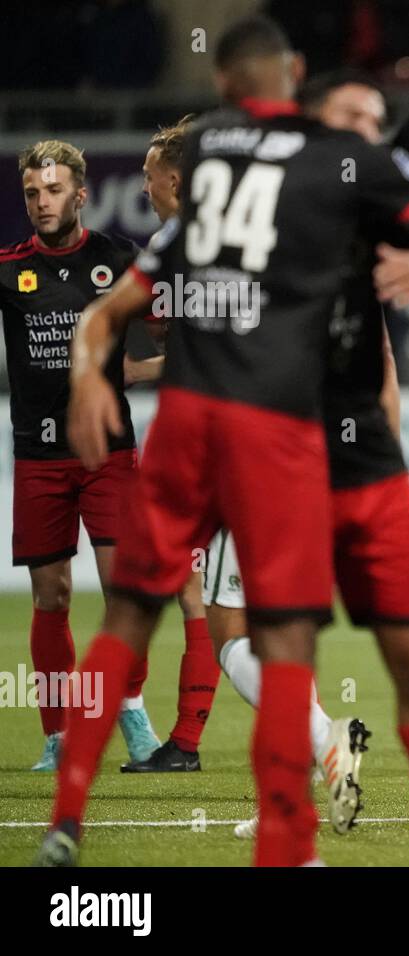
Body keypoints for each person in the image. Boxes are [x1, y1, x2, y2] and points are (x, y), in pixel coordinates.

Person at [36, 15, 409, 868]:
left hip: (262, 448)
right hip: (259, 444)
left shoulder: (230, 229)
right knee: (230, 617)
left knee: (231, 625)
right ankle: (299, 787)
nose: (163, 199)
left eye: (167, 185)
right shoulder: (272, 227)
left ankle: (312, 768)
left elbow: (361, 342)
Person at [0, 140, 161, 772]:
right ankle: (58, 732)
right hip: (37, 456)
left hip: (109, 452)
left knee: (125, 589)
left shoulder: (119, 260)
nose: (43, 203)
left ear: (81, 194)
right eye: (33, 194)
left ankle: (130, 707)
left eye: (54, 191)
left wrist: (185, 364)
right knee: (51, 596)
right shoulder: (9, 268)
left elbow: (142, 349)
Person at [117, 115, 221, 774]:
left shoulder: (173, 244)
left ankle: (177, 739)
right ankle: (181, 740)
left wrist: (130, 370)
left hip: (202, 433)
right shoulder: (234, 237)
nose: (144, 186)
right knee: (212, 592)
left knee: (183, 588)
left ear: (174, 179)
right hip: (249, 426)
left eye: (150, 175)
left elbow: (175, 345)